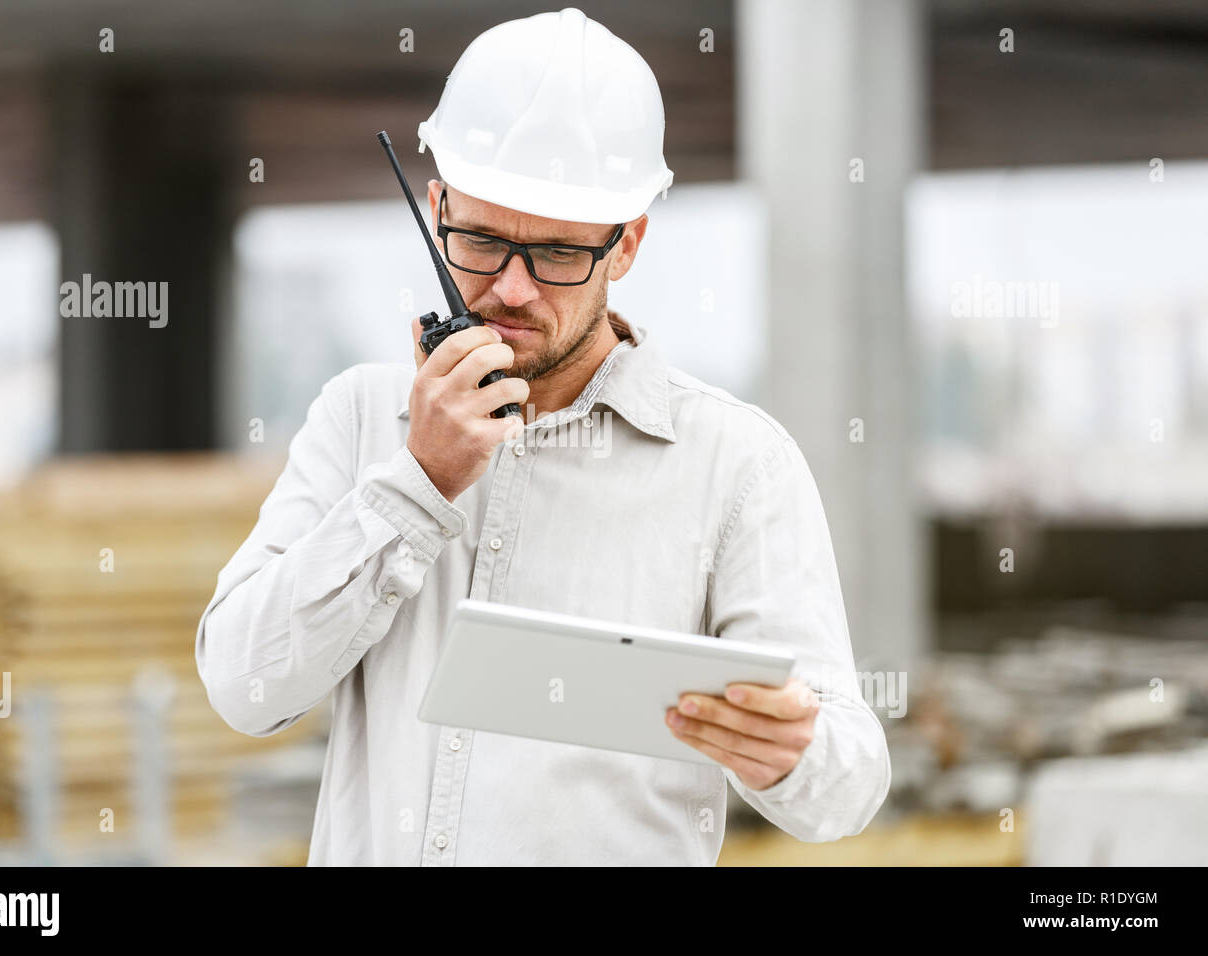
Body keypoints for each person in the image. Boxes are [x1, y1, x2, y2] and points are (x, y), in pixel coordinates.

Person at [196, 6, 890, 866]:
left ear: (627, 243)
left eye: (559, 254)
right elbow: (242, 684)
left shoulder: (736, 467)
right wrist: (418, 481)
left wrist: (795, 753)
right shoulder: (361, 420)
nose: (513, 290)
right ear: (438, 206)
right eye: (482, 241)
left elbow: (851, 785)